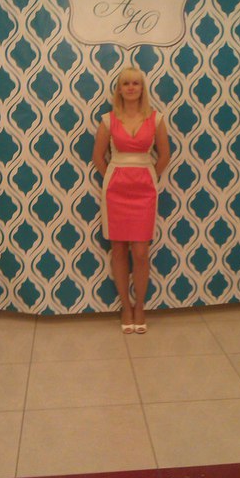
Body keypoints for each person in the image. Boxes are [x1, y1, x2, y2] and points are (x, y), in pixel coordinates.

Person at [92, 67, 170, 334]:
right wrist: (114, 177)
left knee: (141, 252)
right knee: (118, 249)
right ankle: (126, 306)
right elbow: (98, 157)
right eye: (126, 83)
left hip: (144, 190)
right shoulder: (108, 120)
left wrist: (150, 176)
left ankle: (141, 306)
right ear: (119, 89)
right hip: (116, 191)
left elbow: (164, 156)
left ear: (142, 88)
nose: (131, 87)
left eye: (136, 83)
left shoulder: (156, 119)